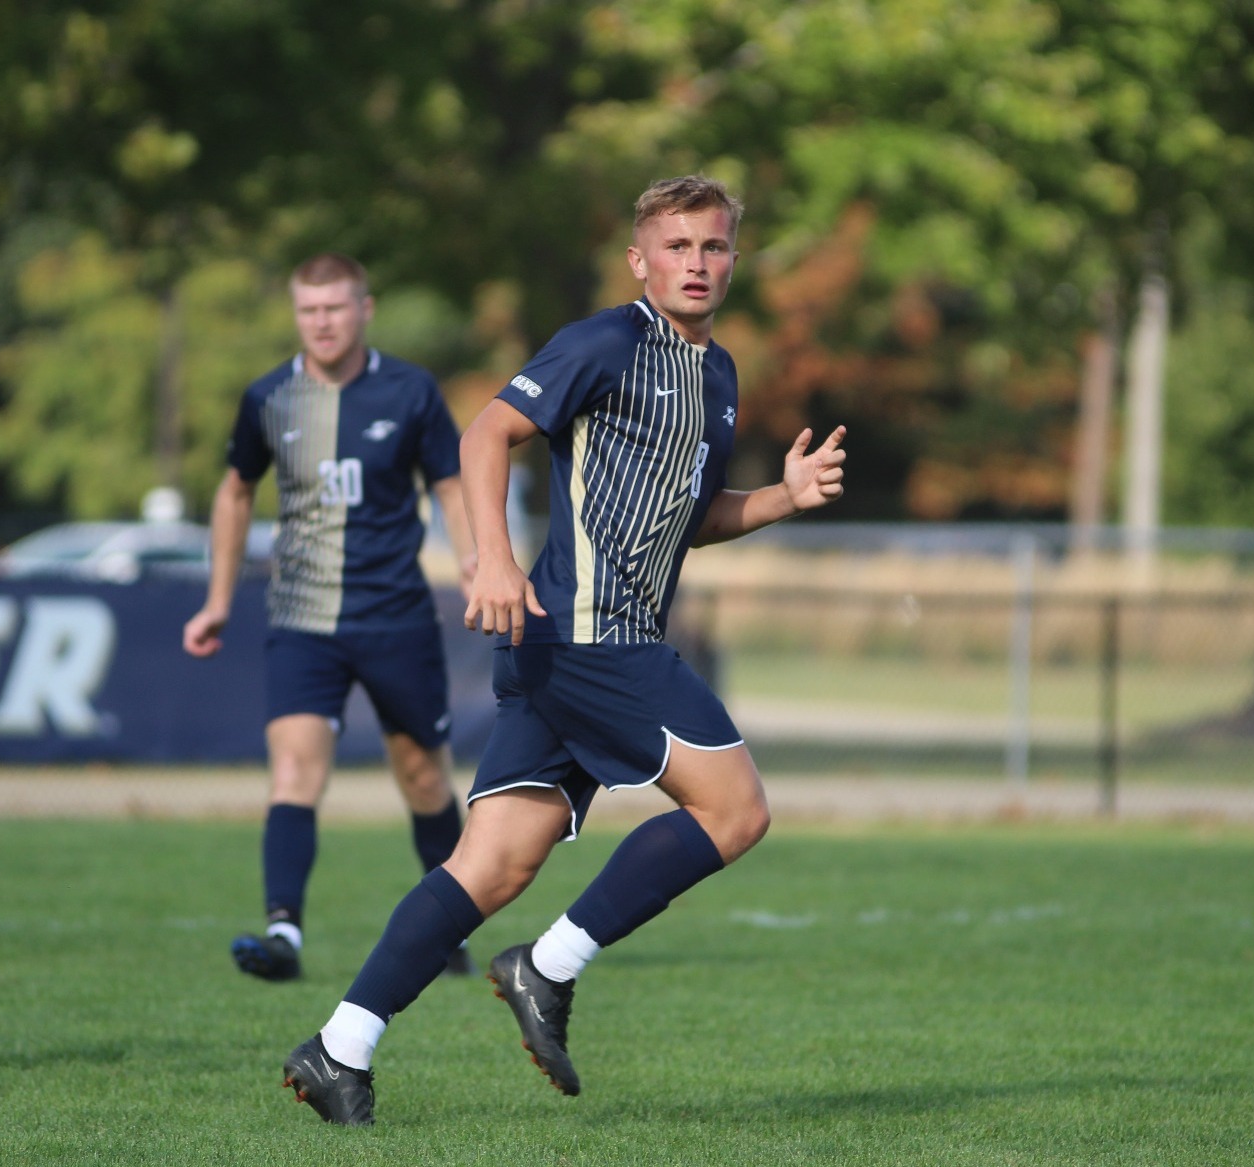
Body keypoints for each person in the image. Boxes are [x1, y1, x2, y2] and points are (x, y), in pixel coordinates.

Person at [278, 175, 848, 1125]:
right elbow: (486, 433)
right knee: (736, 809)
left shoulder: (717, 374)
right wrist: (494, 560)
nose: (696, 263)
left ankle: (340, 1047)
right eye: (676, 246)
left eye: (712, 247)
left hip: (570, 645)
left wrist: (784, 497)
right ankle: (547, 965)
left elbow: (689, 518)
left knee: (493, 865)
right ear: (639, 260)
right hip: (589, 632)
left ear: (733, 260)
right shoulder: (604, 342)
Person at [184, 253, 477, 983]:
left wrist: (478, 564)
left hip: (396, 616)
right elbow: (235, 491)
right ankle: (283, 932)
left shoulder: (410, 390)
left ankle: (451, 929)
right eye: (309, 310)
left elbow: (450, 483)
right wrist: (218, 600)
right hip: (302, 617)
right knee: (293, 769)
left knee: (424, 777)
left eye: (335, 308)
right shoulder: (269, 397)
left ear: (364, 310)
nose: (322, 323)